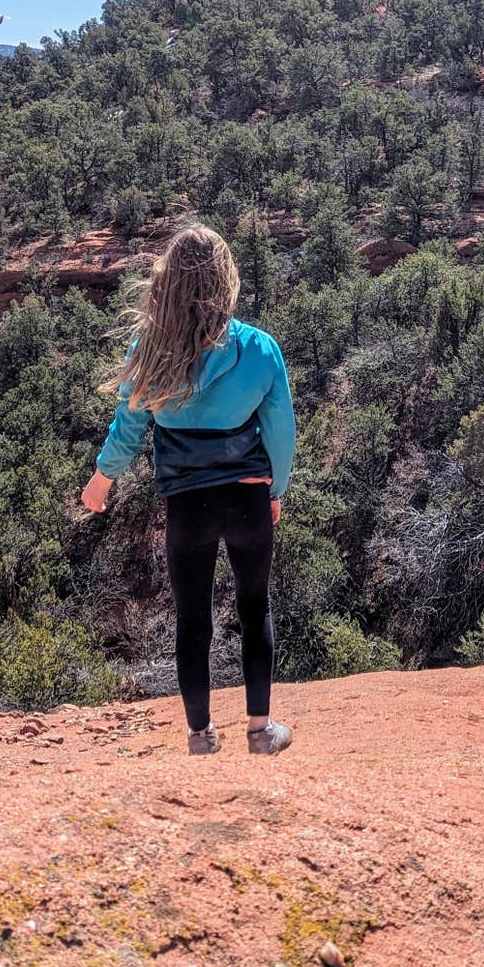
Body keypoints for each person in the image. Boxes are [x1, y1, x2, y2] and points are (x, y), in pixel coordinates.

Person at [81, 225, 296, 757]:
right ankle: (260, 730)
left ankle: (200, 736)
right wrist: (277, 491)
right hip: (247, 496)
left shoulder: (150, 350)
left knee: (193, 616)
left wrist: (101, 480)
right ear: (226, 280)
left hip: (188, 506)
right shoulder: (260, 349)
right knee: (254, 606)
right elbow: (281, 433)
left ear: (167, 282)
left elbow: (128, 427)